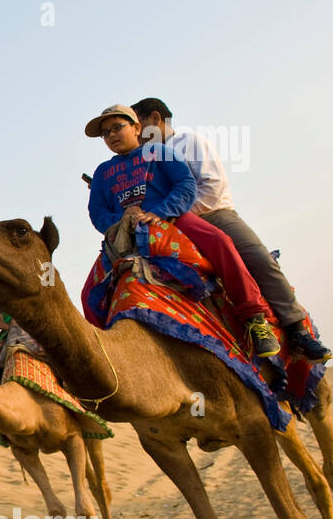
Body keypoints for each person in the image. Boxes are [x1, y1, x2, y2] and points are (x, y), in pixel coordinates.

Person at [130, 97, 331, 362]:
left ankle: (297, 331)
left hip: (212, 214)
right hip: (165, 226)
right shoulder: (145, 159)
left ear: (155, 119)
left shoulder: (188, 143)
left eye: (137, 124)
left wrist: (173, 211)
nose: (134, 132)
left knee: (257, 259)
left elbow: (211, 186)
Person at [83, 104, 281, 357]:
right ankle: (107, 354)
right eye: (105, 133)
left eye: (116, 127)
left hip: (171, 221)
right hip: (125, 235)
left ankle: (254, 318)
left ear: (136, 127)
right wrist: (121, 220)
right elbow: (97, 212)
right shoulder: (102, 172)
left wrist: (161, 211)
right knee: (88, 292)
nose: (111, 135)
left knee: (220, 242)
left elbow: (185, 184)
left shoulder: (158, 152)